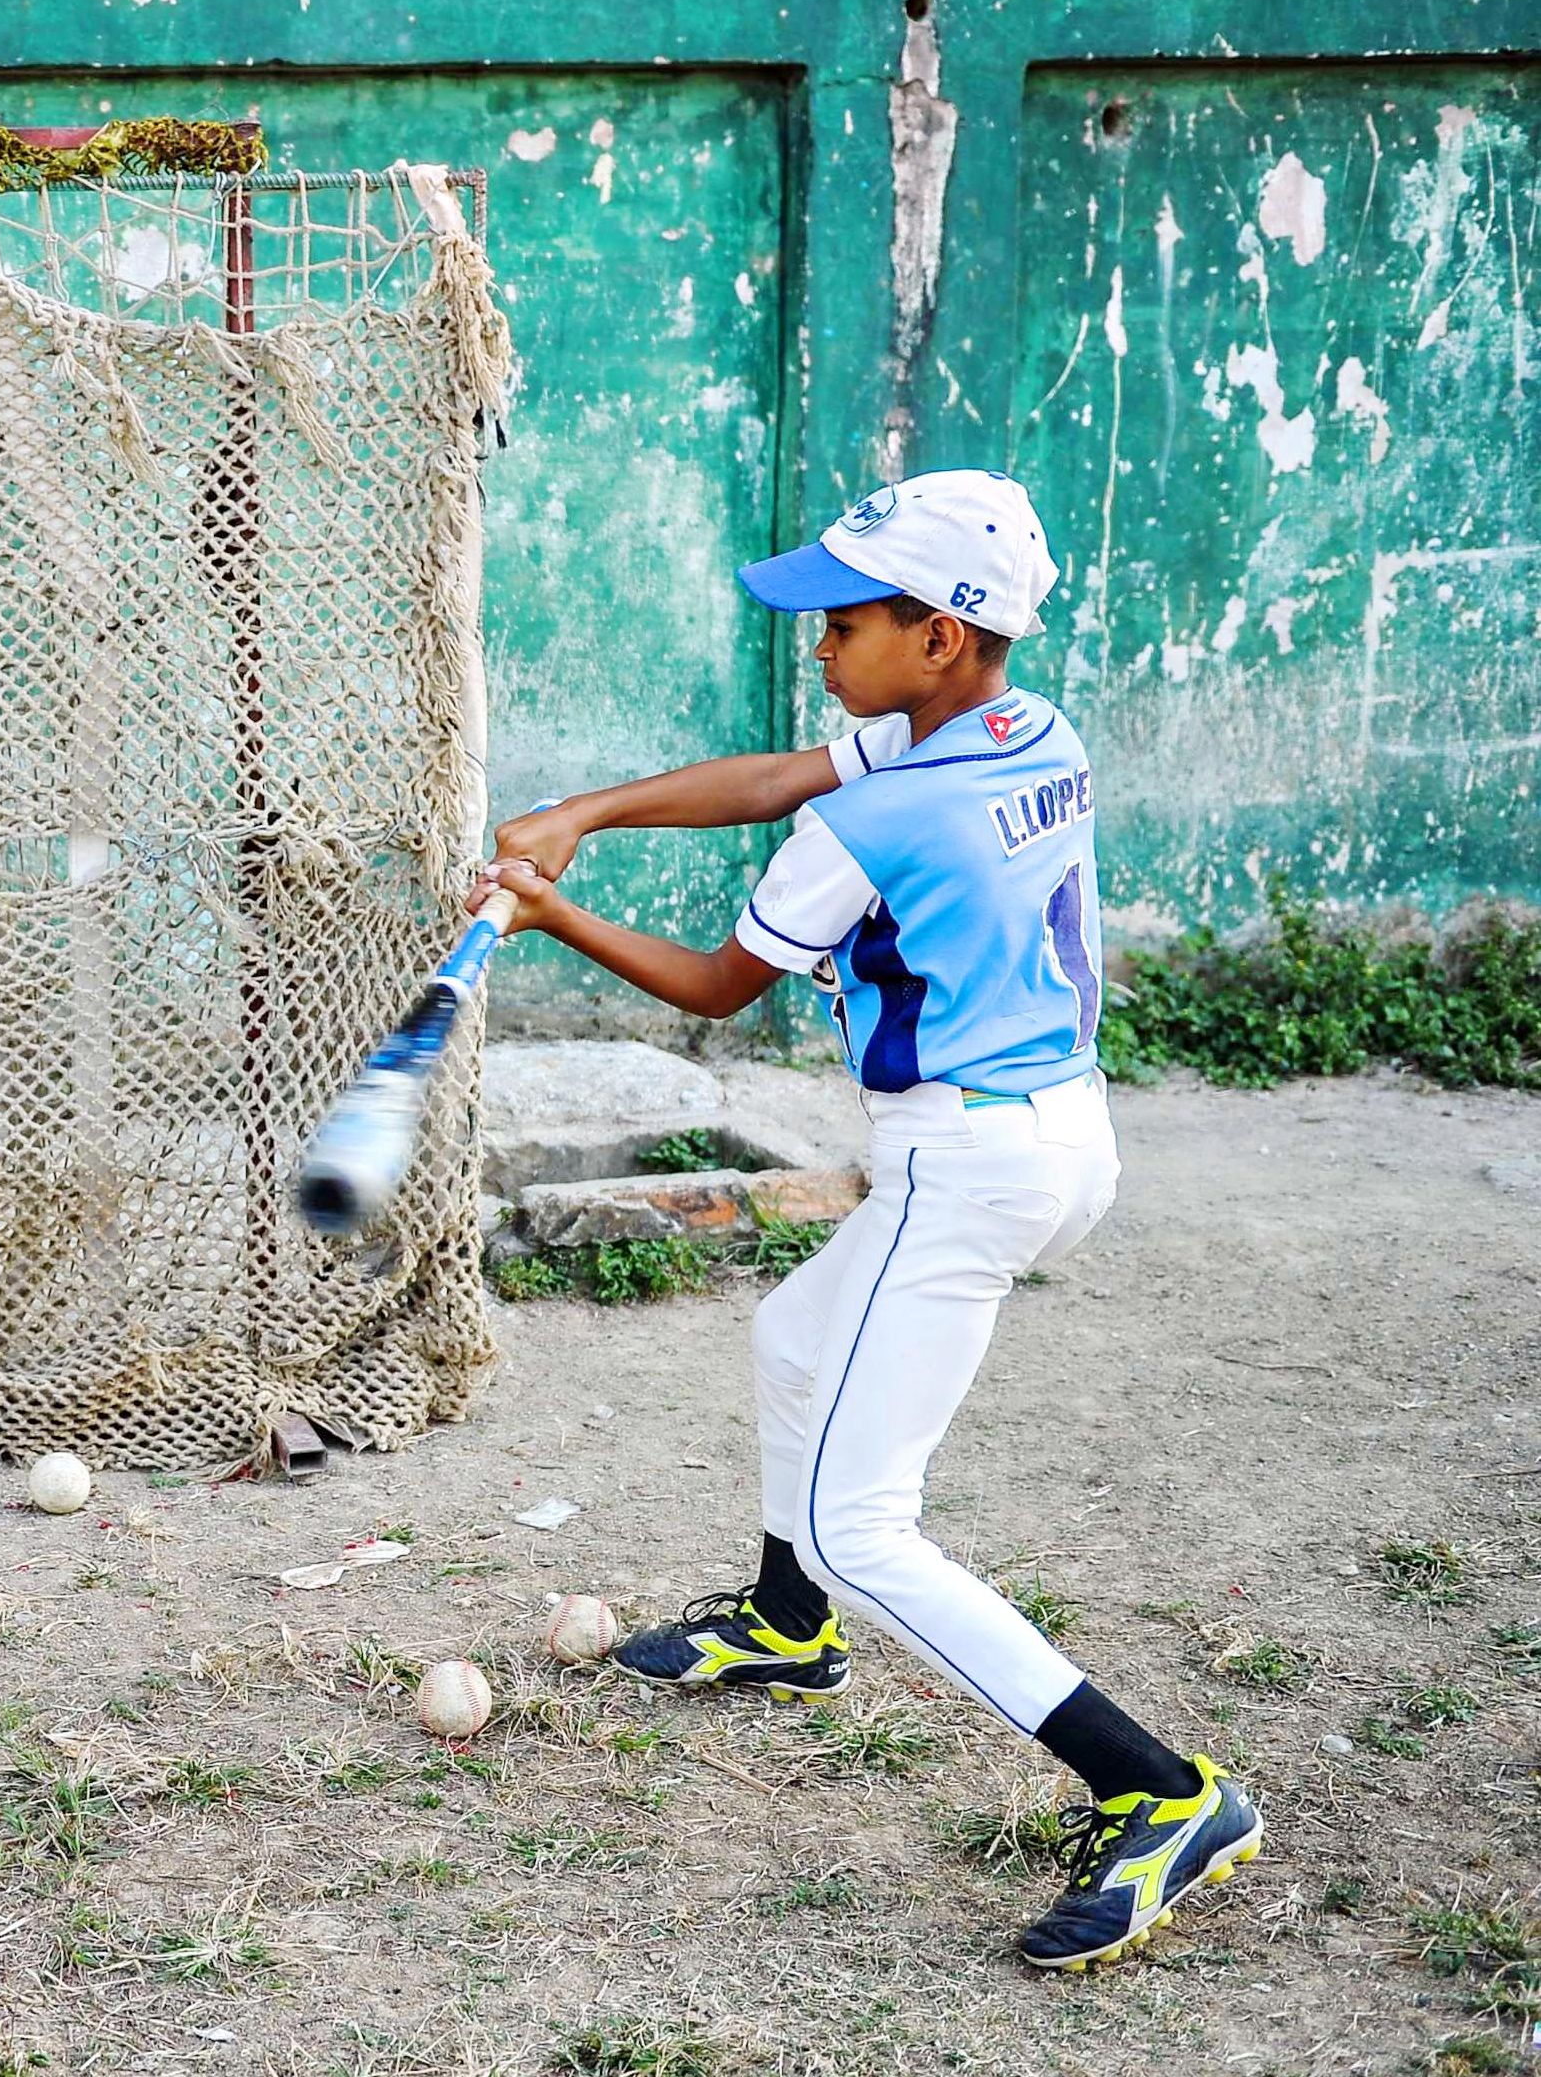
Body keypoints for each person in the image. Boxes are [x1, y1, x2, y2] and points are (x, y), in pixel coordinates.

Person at [472, 471, 1261, 1971]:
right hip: (1056, 1131)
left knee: (864, 1520)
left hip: (960, 1168)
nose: (819, 642)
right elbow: (781, 774)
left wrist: (545, 910)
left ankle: (1159, 1791)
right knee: (790, 1335)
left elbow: (717, 989)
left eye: (847, 620)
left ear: (944, 634)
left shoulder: (882, 821)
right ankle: (787, 1624)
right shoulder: (1022, 728)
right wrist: (583, 813)